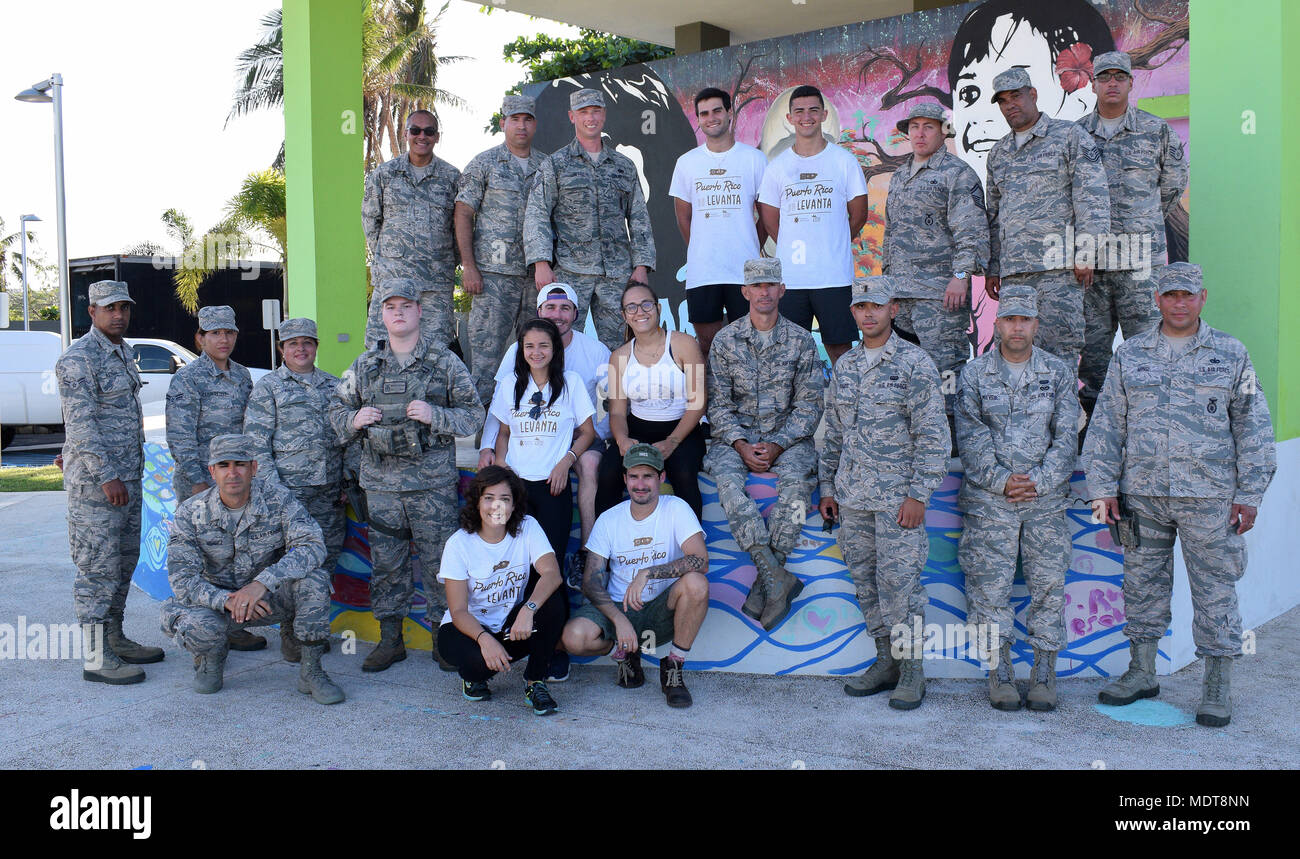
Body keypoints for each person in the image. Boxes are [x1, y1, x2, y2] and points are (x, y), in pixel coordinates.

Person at [1084, 262, 1276, 728]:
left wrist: (1250, 492)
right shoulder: (1130, 355)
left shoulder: (1230, 354)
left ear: (1202, 298)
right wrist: (1103, 488)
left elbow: (1254, 426)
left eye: (1188, 295)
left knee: (1215, 591)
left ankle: (1216, 685)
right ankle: (1142, 671)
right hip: (1143, 495)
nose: (1179, 303)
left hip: (1209, 498)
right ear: (1157, 300)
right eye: (1170, 295)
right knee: (1141, 586)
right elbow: (1107, 424)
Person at [329, 278, 484, 673]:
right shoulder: (365, 365)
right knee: (386, 565)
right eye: (390, 306)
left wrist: (438, 416)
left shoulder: (444, 362)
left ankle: (442, 639)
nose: (398, 312)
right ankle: (390, 640)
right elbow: (334, 414)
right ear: (382, 315)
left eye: (405, 305)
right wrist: (354, 419)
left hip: (431, 486)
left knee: (440, 565)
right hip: (381, 487)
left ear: (419, 311)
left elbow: (474, 414)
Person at [819, 276, 949, 711]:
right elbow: (834, 434)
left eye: (876, 305)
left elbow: (933, 434)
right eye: (861, 307)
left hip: (897, 502)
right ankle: (885, 660)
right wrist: (826, 488)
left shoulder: (914, 363)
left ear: (893, 308)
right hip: (853, 498)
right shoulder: (846, 366)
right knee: (866, 584)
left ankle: (912, 669)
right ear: (853, 312)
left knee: (901, 586)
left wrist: (919, 495)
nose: (868, 313)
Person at [955, 285, 1080, 711]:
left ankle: (1044, 672)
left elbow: (1067, 438)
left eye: (1025, 319)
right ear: (997, 322)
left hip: (1044, 504)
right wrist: (1001, 480)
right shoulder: (974, 375)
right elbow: (969, 438)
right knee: (989, 588)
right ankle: (1000, 671)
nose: (1017, 327)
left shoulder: (1059, 373)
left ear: (1036, 324)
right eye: (1009, 318)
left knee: (1048, 585)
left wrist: (1040, 481)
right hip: (990, 504)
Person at [159, 434, 345, 704]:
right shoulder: (190, 512)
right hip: (218, 607)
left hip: (266, 601)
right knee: (193, 624)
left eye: (240, 464)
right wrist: (228, 600)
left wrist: (262, 584)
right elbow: (182, 579)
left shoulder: (279, 500)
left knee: (314, 581)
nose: (232, 473)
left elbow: (313, 546)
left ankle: (312, 671)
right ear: (212, 471)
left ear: (254, 468)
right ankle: (212, 657)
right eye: (223, 465)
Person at [705, 258, 823, 630]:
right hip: (734, 438)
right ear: (745, 292)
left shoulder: (802, 340)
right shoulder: (725, 340)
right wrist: (741, 445)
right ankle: (775, 573)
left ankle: (767, 581)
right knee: (728, 484)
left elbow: (810, 405)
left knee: (797, 489)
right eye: (757, 286)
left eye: (771, 285)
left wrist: (776, 444)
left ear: (782, 290)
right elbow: (718, 404)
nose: (764, 292)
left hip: (789, 439)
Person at [55, 280, 164, 684]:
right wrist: (107, 477)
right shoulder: (78, 358)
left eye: (124, 307)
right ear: (93, 312)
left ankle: (115, 638)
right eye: (109, 308)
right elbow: (81, 424)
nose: (118, 314)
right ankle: (96, 658)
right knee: (97, 568)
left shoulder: (122, 353)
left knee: (123, 563)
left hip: (127, 479)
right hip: (98, 487)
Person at [1077, 51, 1189, 424]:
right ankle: (1095, 422)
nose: (1112, 83)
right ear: (1093, 84)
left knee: (1147, 343)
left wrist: (1141, 221)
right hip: (1092, 264)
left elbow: (1173, 185)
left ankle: (1150, 422)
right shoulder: (1075, 134)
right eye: (1104, 77)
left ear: (1130, 82)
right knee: (1093, 350)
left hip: (1141, 262)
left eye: (1119, 77)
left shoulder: (1156, 131)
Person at [984, 67, 1111, 371]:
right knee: (1010, 355)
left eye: (1016, 96)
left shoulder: (1068, 136)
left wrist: (1087, 252)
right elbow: (994, 213)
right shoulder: (999, 153)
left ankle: (1063, 418)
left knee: (1058, 351)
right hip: (1015, 274)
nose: (1010, 105)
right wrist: (993, 266)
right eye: (1002, 101)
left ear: (1033, 95)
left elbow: (1092, 196)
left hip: (1059, 270)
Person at [565, 444, 709, 708]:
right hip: (619, 606)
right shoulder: (609, 520)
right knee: (574, 637)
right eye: (634, 476)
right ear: (625, 479)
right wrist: (619, 620)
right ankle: (625, 653)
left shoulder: (676, 508)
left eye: (648, 476)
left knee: (696, 584)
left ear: (661, 478)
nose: (640, 484)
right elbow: (590, 581)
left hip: (662, 608)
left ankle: (674, 669)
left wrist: (648, 573)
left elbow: (700, 560)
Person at [479, 283, 610, 573]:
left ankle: (586, 555)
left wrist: (595, 441)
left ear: (576, 313)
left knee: (589, 465)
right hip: (533, 437)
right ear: (539, 310)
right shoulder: (518, 350)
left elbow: (605, 404)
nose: (557, 314)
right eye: (550, 307)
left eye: (565, 308)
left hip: (584, 434)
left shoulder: (596, 351)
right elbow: (502, 413)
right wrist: (488, 449)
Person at [882, 101, 990, 442]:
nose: (920, 133)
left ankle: (953, 440)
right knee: (905, 371)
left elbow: (970, 230)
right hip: (901, 295)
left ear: (942, 131)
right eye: (914, 127)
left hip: (940, 293)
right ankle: (916, 436)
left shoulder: (957, 173)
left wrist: (960, 276)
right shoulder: (900, 176)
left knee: (946, 369)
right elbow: (891, 234)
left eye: (928, 126)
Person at [242, 317, 349, 662]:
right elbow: (257, 446)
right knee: (290, 566)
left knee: (325, 562)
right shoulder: (268, 388)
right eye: (292, 344)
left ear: (316, 346)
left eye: (307, 342)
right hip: (289, 496)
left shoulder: (335, 386)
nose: (300, 349)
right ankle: (291, 635)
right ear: (281, 349)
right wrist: (277, 496)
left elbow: (348, 438)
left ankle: (312, 631)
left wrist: (348, 479)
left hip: (329, 494)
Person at [524, 87, 656, 350]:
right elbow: (537, 213)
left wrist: (641, 265)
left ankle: (617, 392)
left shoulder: (623, 165)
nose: (591, 118)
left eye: (596, 111)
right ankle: (564, 391)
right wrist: (540, 262)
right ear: (572, 117)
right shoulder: (555, 164)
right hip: (571, 270)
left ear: (604, 115)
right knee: (562, 343)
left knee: (621, 345)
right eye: (584, 112)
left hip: (616, 274)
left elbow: (639, 216)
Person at [164, 303, 260, 652]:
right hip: (201, 483)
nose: (224, 339)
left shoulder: (242, 376)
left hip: (236, 482)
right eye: (215, 333)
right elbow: (180, 436)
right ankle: (201, 632)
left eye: (229, 332)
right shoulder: (187, 379)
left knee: (235, 554)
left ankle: (233, 625)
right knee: (201, 557)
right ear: (200, 338)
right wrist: (197, 482)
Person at [436, 465, 566, 715]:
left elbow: (551, 573)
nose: (497, 506)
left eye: (505, 499)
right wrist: (484, 640)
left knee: (552, 603)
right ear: (477, 502)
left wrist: (528, 610)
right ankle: (473, 678)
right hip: (467, 628)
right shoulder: (459, 544)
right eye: (489, 498)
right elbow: (459, 610)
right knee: (477, 663)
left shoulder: (527, 526)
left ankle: (535, 682)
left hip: (512, 626)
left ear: (515, 504)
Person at [757, 84, 868, 366]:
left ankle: (845, 407)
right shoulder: (778, 167)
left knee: (840, 349)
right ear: (790, 118)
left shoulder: (844, 162)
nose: (806, 116)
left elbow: (858, 213)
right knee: (789, 354)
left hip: (835, 276)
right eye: (799, 111)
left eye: (813, 110)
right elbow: (769, 217)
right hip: (792, 279)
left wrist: (835, 238)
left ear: (824, 115)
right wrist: (795, 239)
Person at [946, 0, 1116, 179]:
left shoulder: (1081, 153)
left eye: (1016, 90)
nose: (983, 114)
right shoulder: (993, 160)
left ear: (1082, 96)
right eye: (969, 94)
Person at [455, 95, 545, 405]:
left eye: (528, 119)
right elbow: (463, 212)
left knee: (537, 355)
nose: (521, 125)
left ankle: (529, 430)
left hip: (535, 277)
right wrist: (469, 265)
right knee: (486, 360)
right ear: (502, 123)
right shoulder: (484, 163)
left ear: (535, 124)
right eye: (515, 119)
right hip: (492, 276)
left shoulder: (546, 165)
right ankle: (485, 442)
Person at [596, 280, 707, 523]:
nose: (640, 312)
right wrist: (622, 440)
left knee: (684, 473)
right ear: (624, 315)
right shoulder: (619, 357)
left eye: (646, 304)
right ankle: (601, 551)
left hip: (682, 429)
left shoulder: (684, 344)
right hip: (637, 430)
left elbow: (698, 402)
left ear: (657, 308)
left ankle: (693, 552)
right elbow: (616, 413)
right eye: (632, 307)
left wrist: (672, 442)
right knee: (607, 473)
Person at [668, 86, 768, 357]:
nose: (710, 118)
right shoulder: (687, 163)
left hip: (744, 272)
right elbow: (683, 217)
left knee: (749, 346)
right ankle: (712, 399)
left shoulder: (754, 159)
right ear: (698, 120)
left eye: (716, 111)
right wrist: (702, 248)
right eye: (703, 114)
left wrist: (749, 246)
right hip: (703, 271)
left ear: (729, 113)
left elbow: (766, 215)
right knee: (708, 346)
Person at [489, 317, 597, 566]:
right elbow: (504, 432)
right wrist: (504, 465)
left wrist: (566, 462)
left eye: (543, 345)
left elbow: (588, 432)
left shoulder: (571, 382)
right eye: (529, 346)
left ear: (555, 348)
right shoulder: (510, 384)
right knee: (515, 562)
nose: (536, 352)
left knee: (549, 564)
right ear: (521, 349)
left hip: (553, 484)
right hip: (516, 485)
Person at [362, 109, 461, 349]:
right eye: (415, 130)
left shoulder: (452, 177)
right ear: (406, 134)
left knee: (437, 351)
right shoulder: (384, 174)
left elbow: (462, 226)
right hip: (392, 280)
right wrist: (391, 255)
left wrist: (446, 259)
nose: (422, 136)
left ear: (437, 136)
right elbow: (370, 219)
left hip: (434, 284)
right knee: (381, 348)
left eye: (429, 131)